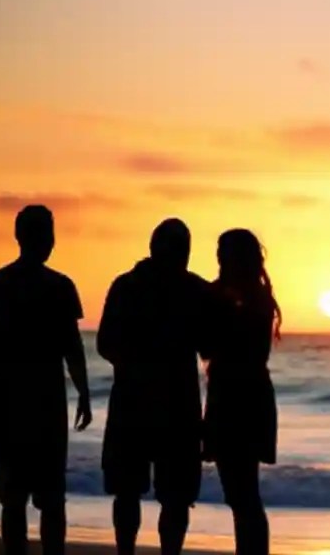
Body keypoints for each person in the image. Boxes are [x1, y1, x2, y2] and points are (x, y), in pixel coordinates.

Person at [0, 205, 93, 555]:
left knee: (15, 496)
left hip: (10, 403)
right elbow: (73, 347)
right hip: (41, 406)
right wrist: (83, 393)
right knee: (49, 498)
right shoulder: (59, 286)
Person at [98, 218, 211, 555]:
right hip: (170, 404)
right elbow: (210, 346)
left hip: (140, 402)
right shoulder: (194, 290)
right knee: (163, 495)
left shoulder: (126, 286)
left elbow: (105, 343)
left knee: (140, 493)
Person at [203, 229, 281, 555]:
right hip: (242, 394)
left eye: (224, 252)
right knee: (241, 494)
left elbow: (210, 345)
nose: (219, 258)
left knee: (242, 493)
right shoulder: (251, 294)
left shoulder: (243, 297)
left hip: (238, 398)